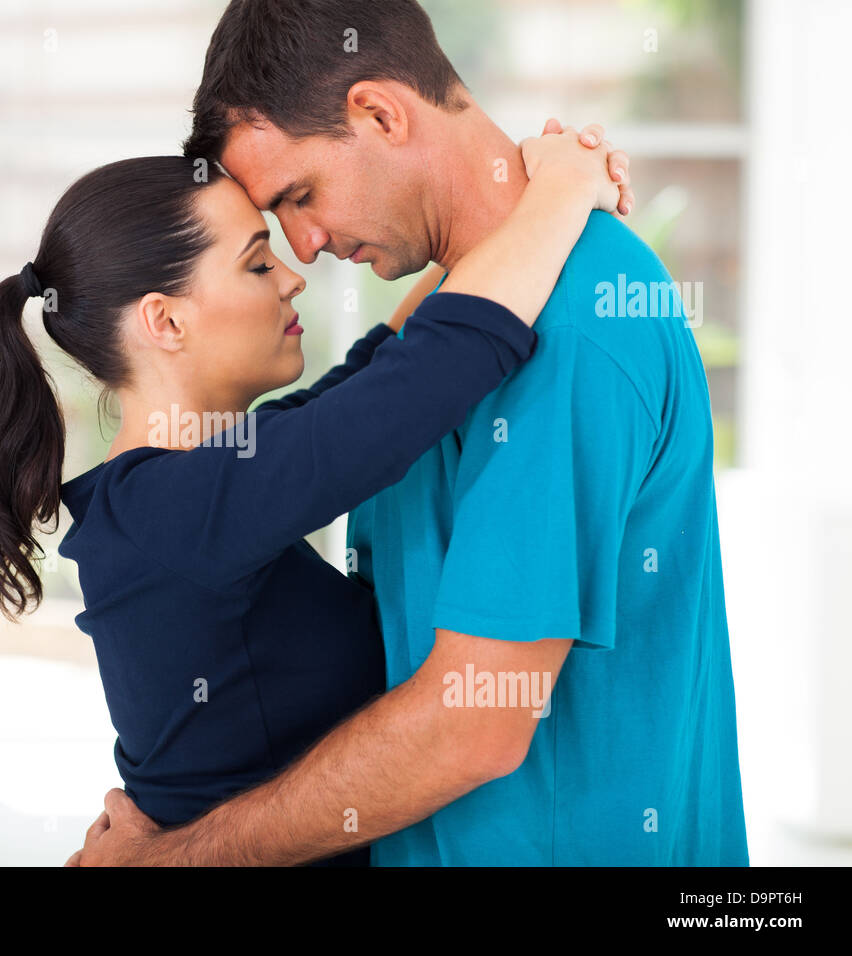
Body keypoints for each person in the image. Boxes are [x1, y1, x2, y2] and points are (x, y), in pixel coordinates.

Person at [72, 0, 747, 867]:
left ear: (381, 113)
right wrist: (555, 188)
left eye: (300, 198)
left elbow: (473, 726)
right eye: (267, 241)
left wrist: (172, 859)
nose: (304, 251)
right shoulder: (452, 346)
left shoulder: (572, 328)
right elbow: (391, 368)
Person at [0, 128, 628, 866]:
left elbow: (378, 371)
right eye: (256, 262)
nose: (292, 276)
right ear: (166, 320)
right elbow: (424, 379)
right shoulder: (177, 508)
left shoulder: (183, 489)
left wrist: (510, 202)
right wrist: (563, 190)